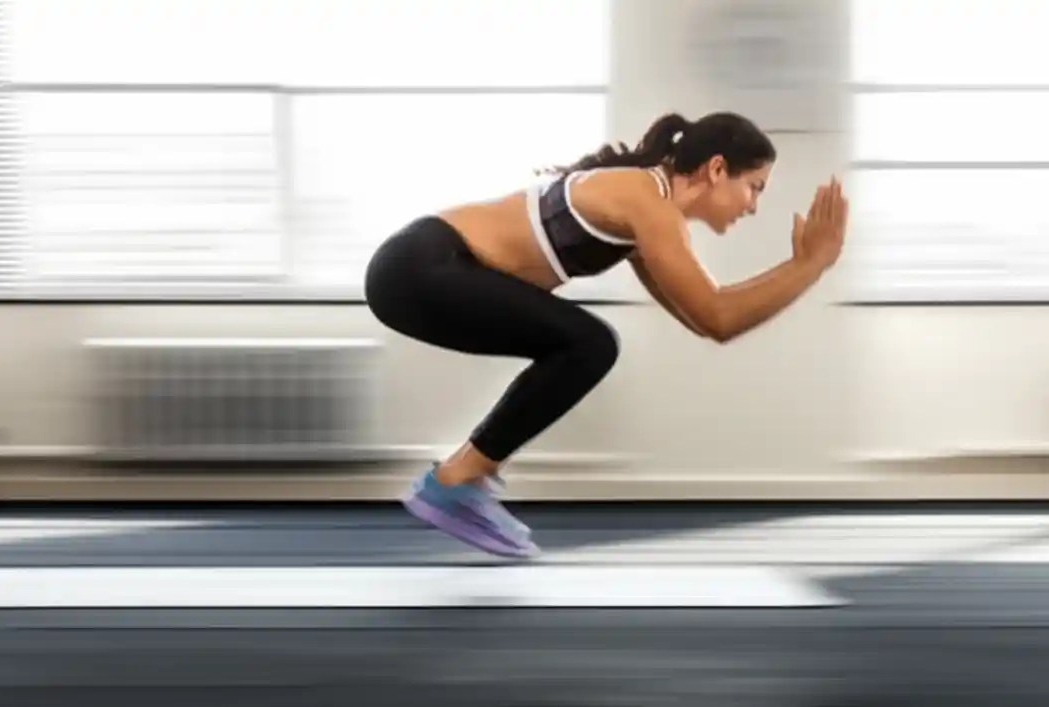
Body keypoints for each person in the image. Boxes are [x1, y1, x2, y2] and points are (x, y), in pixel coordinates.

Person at [363, 111, 848, 559]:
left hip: (417, 269)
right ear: (717, 169)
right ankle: (457, 480)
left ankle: (462, 479)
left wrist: (804, 266)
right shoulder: (647, 204)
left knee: (584, 344)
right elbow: (720, 315)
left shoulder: (645, 213)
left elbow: (706, 321)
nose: (755, 207)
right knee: (589, 344)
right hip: (420, 267)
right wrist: (810, 265)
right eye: (755, 187)